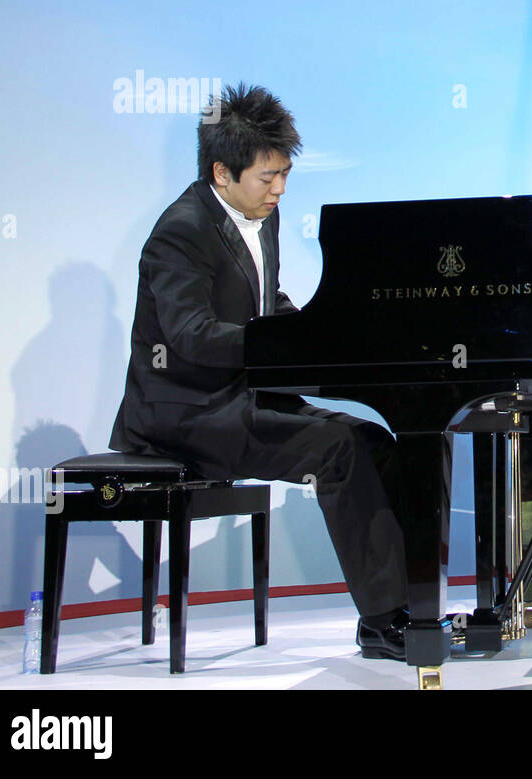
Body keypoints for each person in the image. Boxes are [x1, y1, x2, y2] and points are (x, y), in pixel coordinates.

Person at [109, 82, 410, 660]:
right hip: (186, 412)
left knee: (376, 441)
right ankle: (380, 621)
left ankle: (407, 602)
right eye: (267, 177)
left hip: (237, 396)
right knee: (339, 449)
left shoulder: (258, 213)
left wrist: (320, 331)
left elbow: (266, 297)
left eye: (286, 175)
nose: (279, 189)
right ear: (222, 173)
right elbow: (189, 336)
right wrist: (279, 343)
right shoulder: (181, 231)